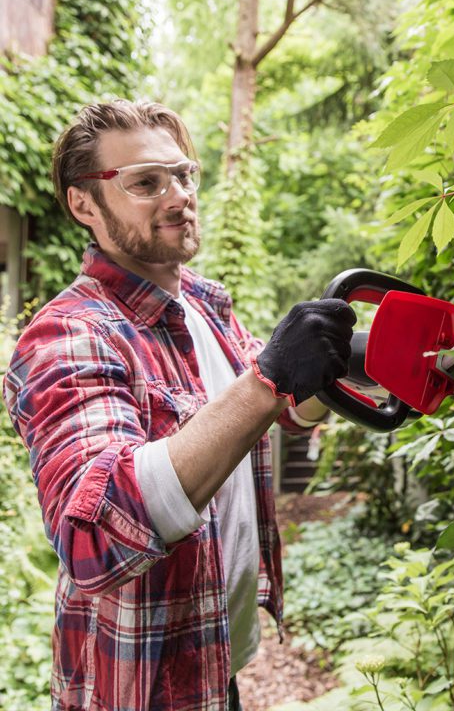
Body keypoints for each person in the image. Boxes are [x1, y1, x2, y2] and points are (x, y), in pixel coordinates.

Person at [2, 100, 356, 711]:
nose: (178, 195)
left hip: (218, 663)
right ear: (84, 204)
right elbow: (94, 534)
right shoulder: (70, 334)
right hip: (138, 687)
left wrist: (346, 361)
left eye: (184, 174)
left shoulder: (200, 302)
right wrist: (266, 380)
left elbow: (284, 411)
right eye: (146, 182)